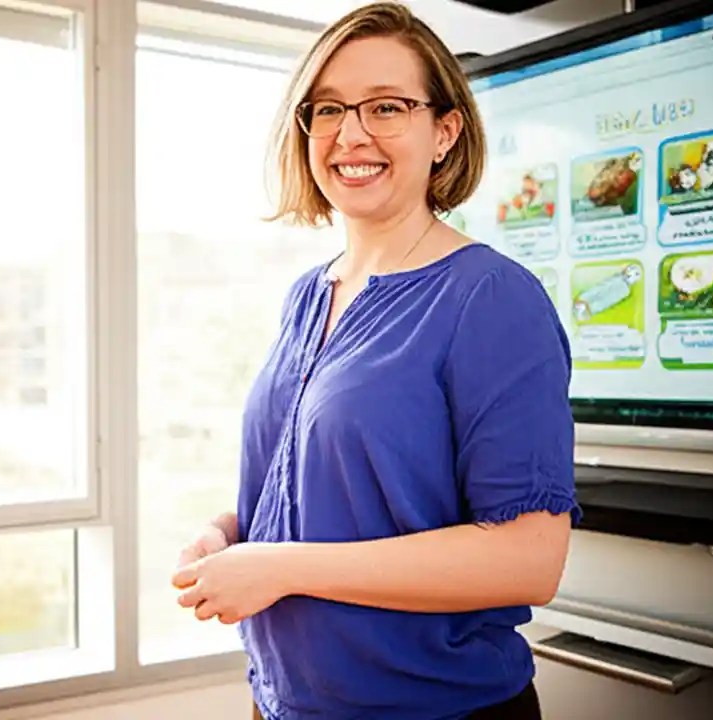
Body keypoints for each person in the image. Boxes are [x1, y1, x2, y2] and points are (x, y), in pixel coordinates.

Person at [170, 4, 580, 719]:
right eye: (327, 108)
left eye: (386, 106)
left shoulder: (491, 298)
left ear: (444, 132)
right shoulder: (307, 294)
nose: (351, 133)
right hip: (286, 703)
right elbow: (321, 484)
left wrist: (277, 568)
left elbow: (529, 560)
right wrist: (229, 534)